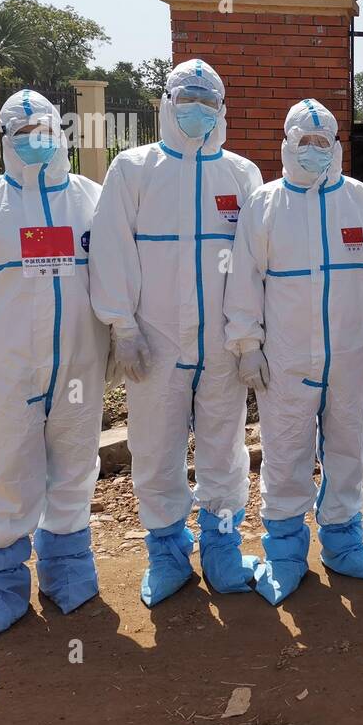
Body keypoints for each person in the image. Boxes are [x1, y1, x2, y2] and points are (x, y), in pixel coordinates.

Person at [0, 89, 109, 636]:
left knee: (75, 466)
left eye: (46, 132)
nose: (37, 143)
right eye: (23, 135)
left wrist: (122, 342)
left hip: (79, 365)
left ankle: (68, 568)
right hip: (6, 369)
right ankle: (0, 581)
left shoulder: (92, 200)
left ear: (63, 134)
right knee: (9, 470)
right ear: (6, 141)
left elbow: (117, 279)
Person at [89, 59, 263, 606]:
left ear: (221, 110)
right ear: (166, 104)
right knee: (154, 446)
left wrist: (249, 336)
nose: (197, 111)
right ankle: (166, 552)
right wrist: (122, 327)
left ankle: (222, 548)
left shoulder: (240, 174)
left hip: (222, 344)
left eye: (207, 102)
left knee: (224, 445)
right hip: (155, 341)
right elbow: (112, 250)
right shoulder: (133, 169)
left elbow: (257, 263)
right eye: (186, 100)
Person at [223, 100, 363, 603]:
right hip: (287, 359)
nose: (315, 151)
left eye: (324, 142)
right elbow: (244, 278)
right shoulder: (265, 204)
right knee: (285, 452)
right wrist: (247, 343)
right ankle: (285, 553)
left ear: (338, 146)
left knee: (347, 448)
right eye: (305, 142)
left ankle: (343, 543)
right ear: (287, 144)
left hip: (349, 357)